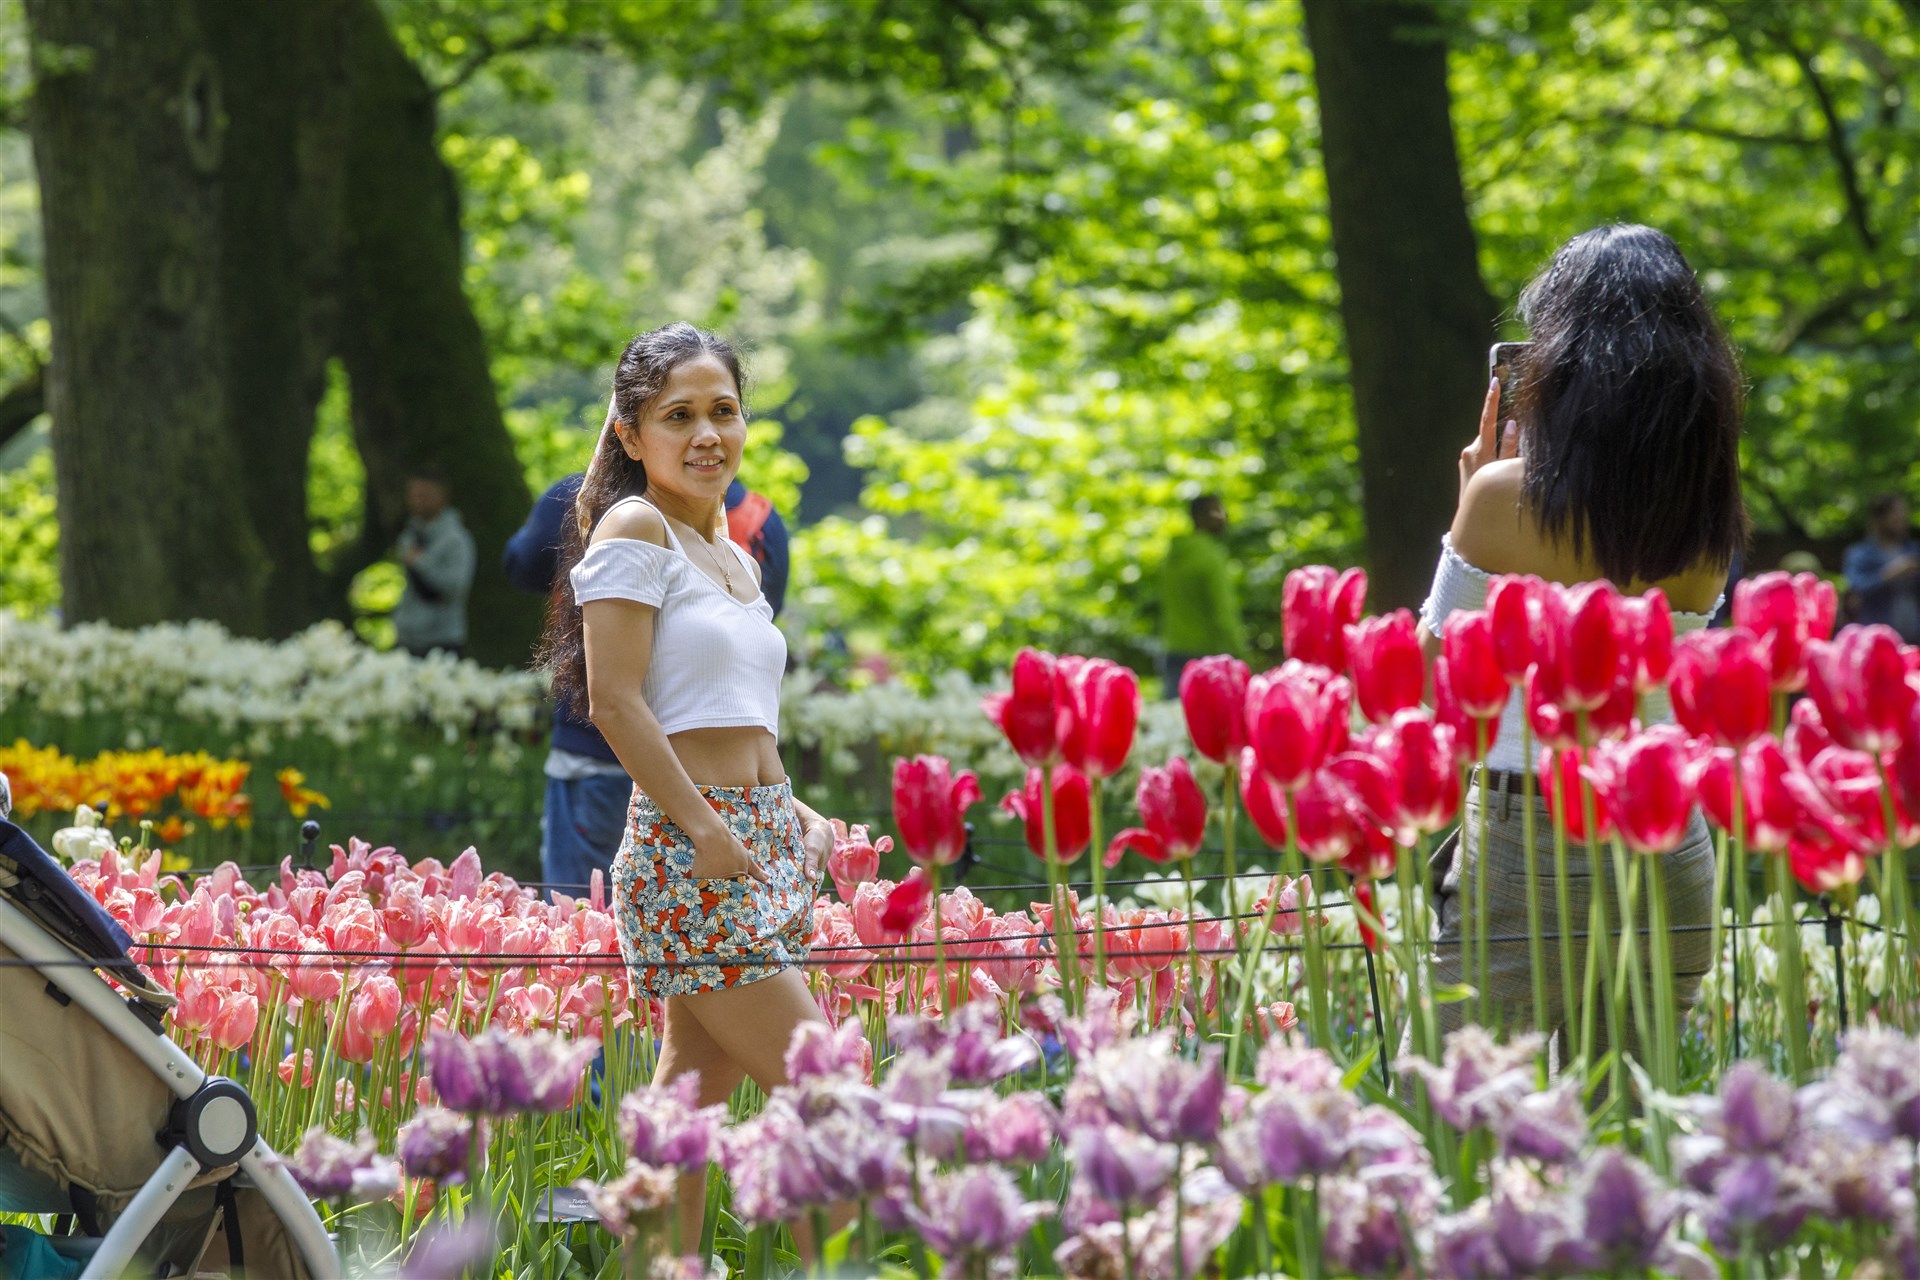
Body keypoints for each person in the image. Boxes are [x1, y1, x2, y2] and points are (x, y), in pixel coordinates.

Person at [1417, 224, 1747, 1064]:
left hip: (1523, 844)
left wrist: (1470, 495)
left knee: (1473, 1136)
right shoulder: (1704, 524)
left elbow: (1431, 686)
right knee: (1632, 1146)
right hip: (1668, 844)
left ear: (1559, 365)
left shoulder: (1501, 498)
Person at [538, 322, 835, 1252]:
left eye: (724, 411)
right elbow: (619, 705)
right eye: (679, 416)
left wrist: (797, 813)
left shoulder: (737, 559)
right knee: (836, 1106)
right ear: (631, 434)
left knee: (683, 1115)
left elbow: (744, 721)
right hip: (690, 854)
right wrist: (705, 828)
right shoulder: (636, 529)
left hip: (755, 841)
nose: (708, 434)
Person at [504, 473, 634, 893]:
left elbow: (521, 562)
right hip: (692, 765)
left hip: (592, 748)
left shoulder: (580, 494)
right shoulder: (734, 512)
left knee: (579, 920)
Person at [1158, 493, 1246, 690]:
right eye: (1217, 511)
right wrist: (1240, 654)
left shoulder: (1172, 557)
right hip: (1207, 654)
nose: (1224, 516)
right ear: (1199, 517)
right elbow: (1223, 613)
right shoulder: (1211, 557)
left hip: (1173, 648)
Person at [392, 467, 476, 659]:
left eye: (425, 495)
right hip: (407, 639)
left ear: (442, 497)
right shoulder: (409, 535)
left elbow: (455, 588)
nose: (418, 500)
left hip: (442, 641)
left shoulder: (457, 540)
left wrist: (421, 562)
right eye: (414, 494)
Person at [1842, 492, 1920, 643]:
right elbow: (1856, 588)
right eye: (1896, 515)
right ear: (1879, 519)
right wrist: (1890, 573)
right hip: (1877, 639)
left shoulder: (1913, 550)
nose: (1902, 519)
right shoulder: (1860, 554)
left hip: (1914, 637)